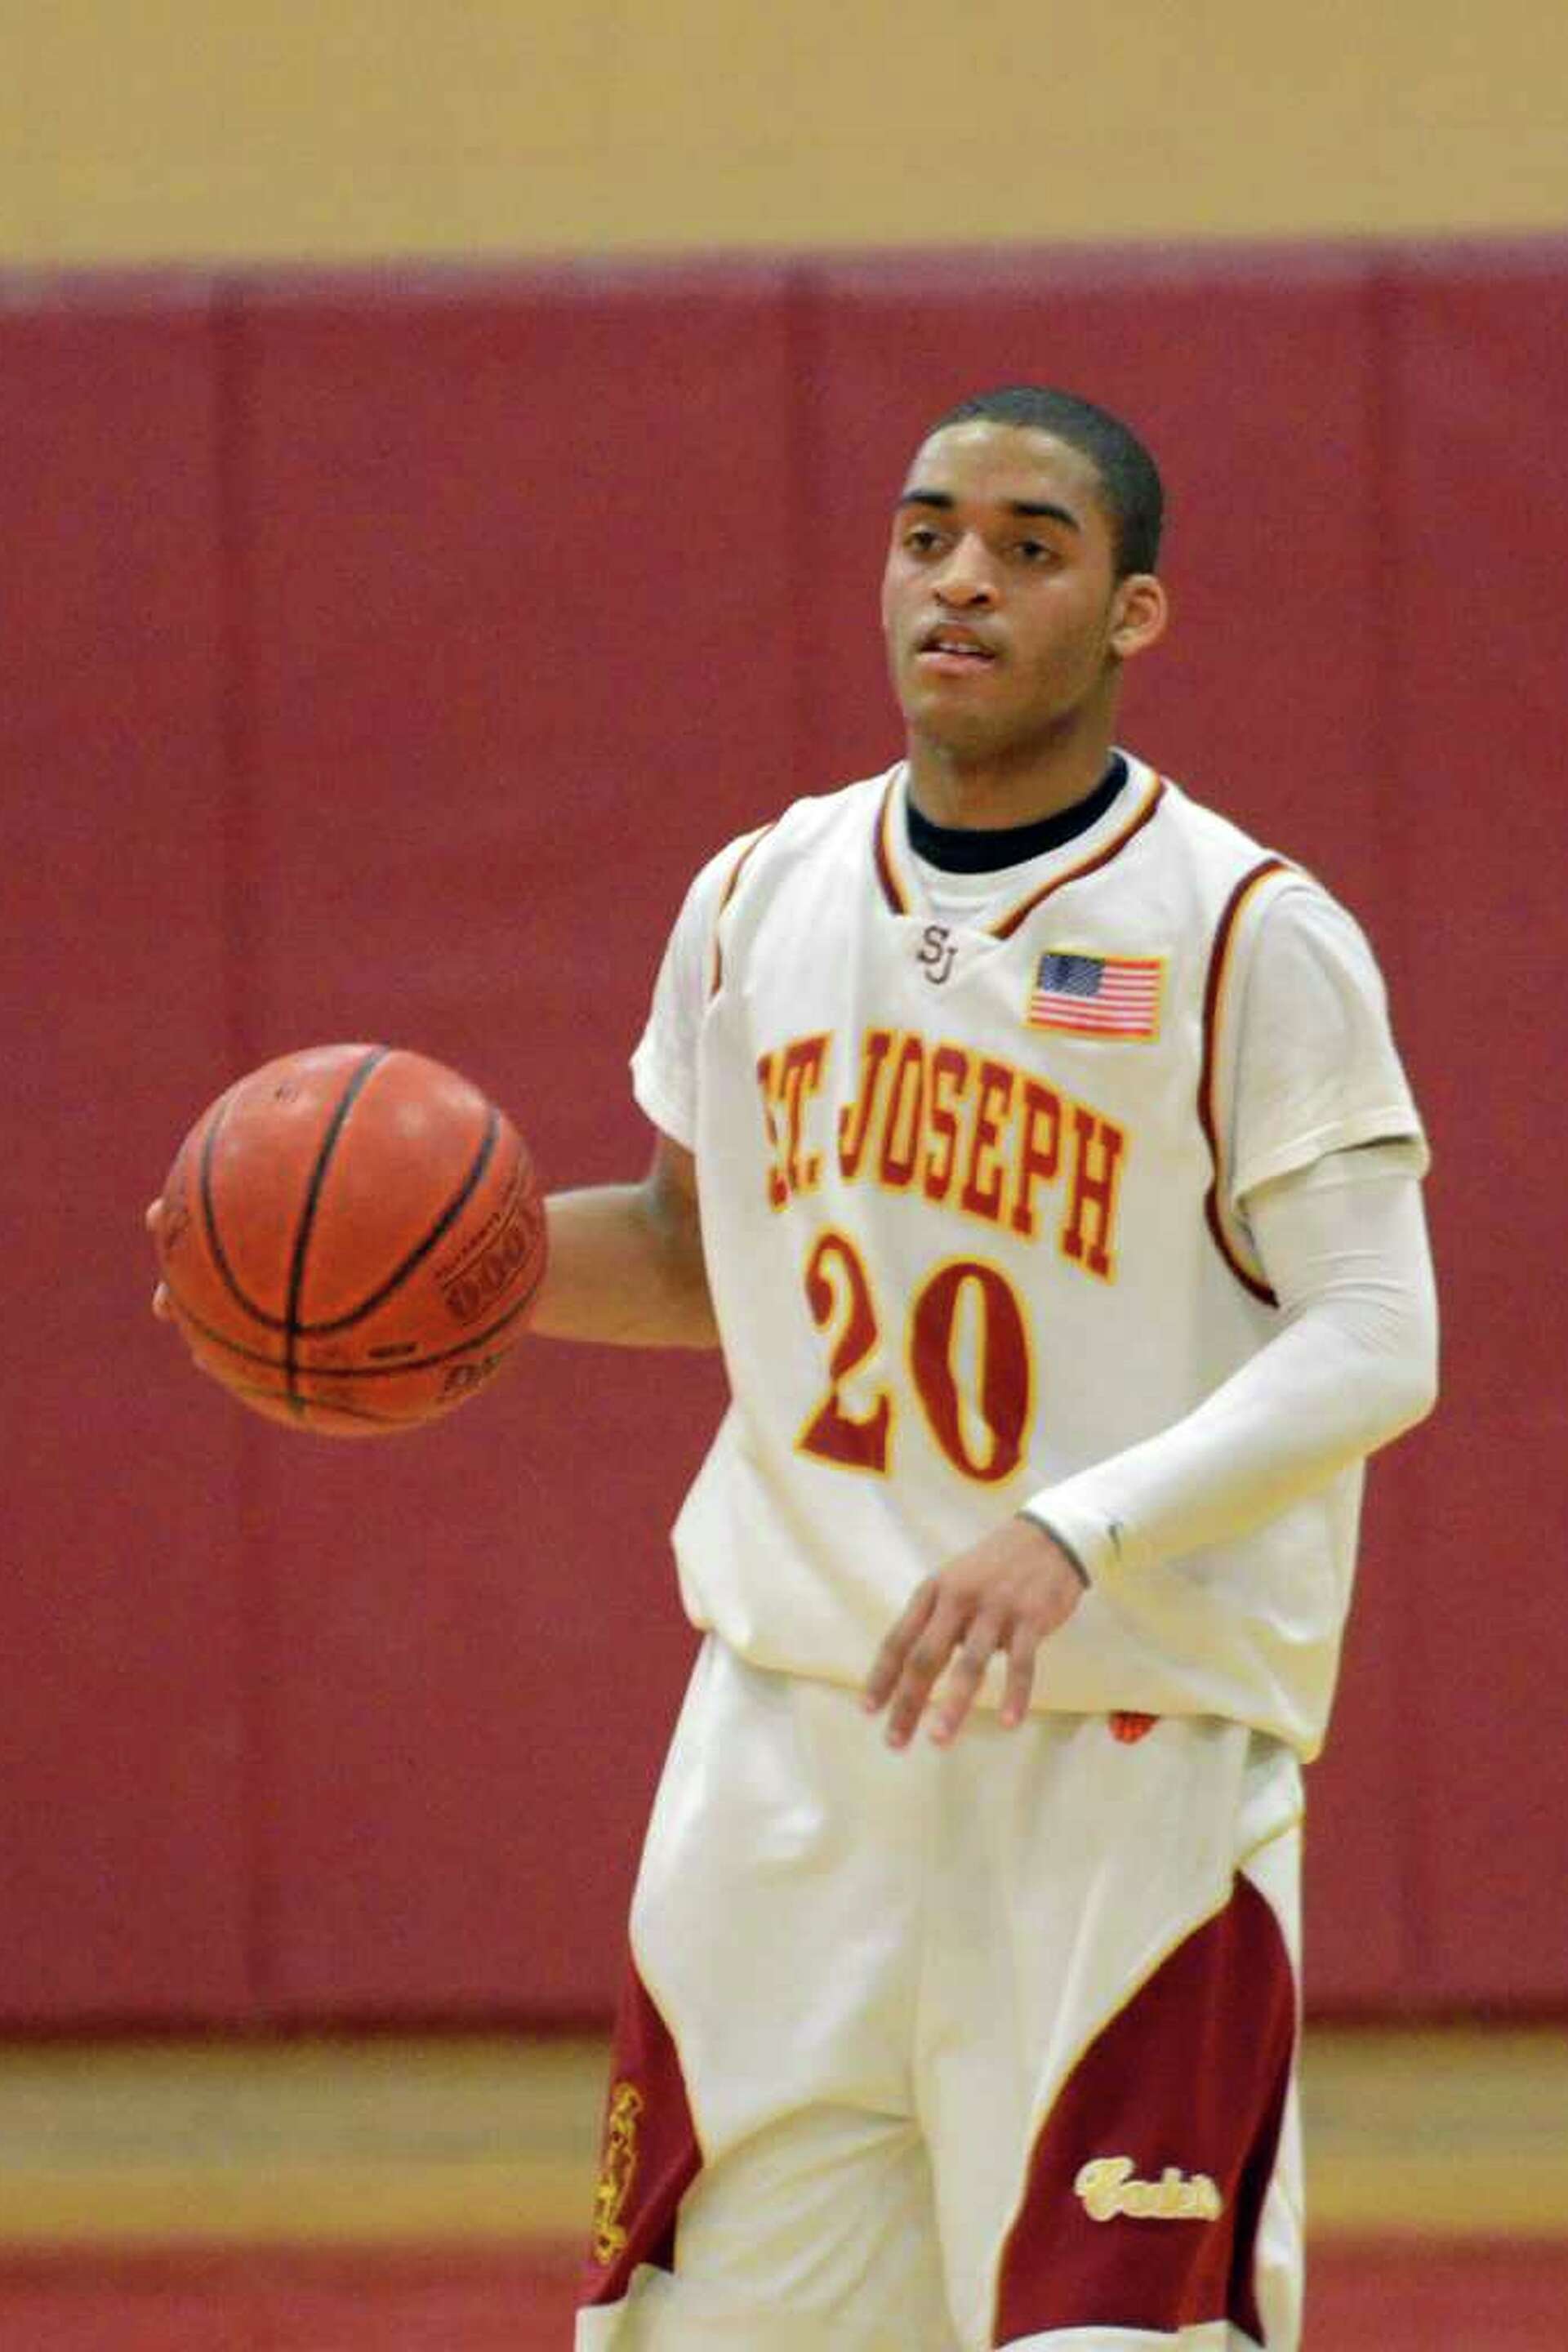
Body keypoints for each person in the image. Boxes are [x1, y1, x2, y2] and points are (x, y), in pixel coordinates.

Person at [158, 385, 1439, 2351]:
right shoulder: (761, 895)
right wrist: (331, 1288)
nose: (962, 581)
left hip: (1122, 1766)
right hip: (791, 1756)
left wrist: (1074, 1532)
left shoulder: (1250, 934)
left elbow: (1374, 1332)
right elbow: (704, 1256)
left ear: (1134, 615)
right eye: (928, 536)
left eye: (1029, 548)